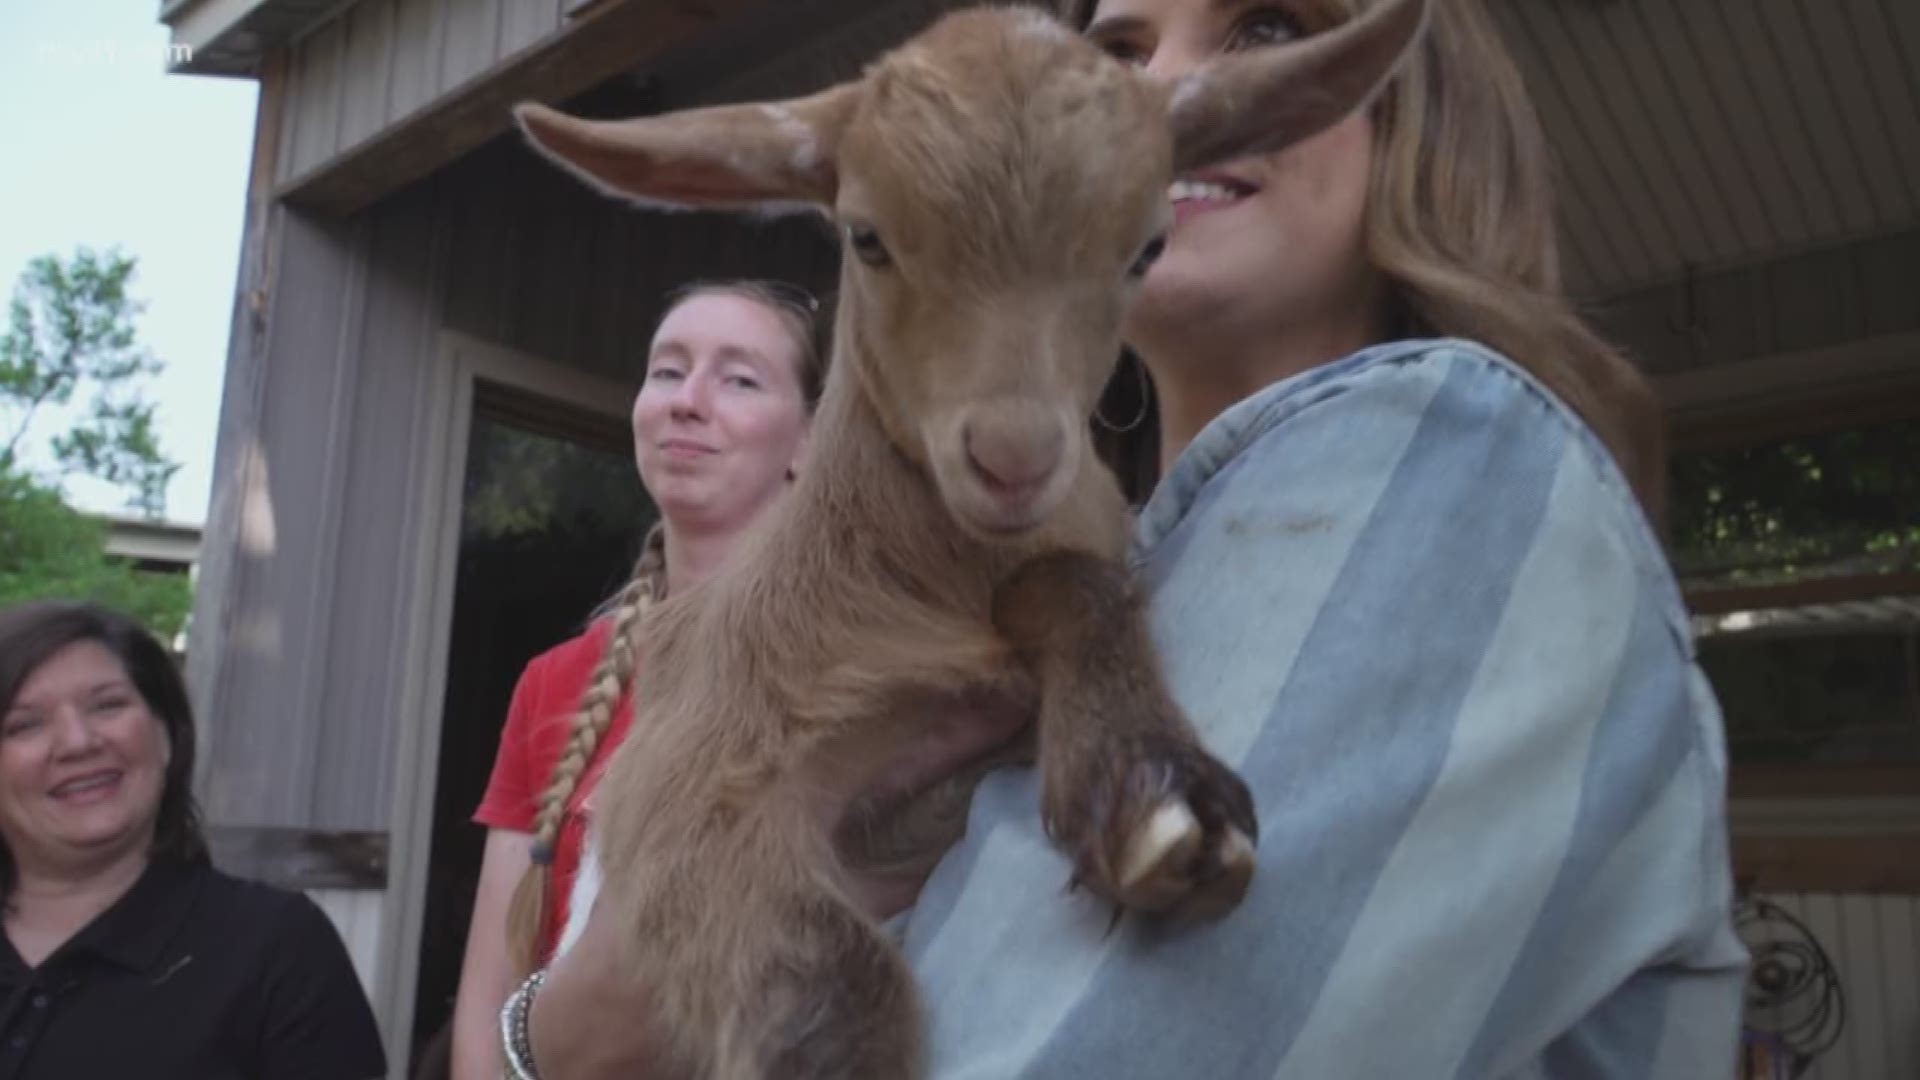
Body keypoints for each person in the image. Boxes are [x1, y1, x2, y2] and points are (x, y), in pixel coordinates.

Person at [523, 0, 1749, 1075]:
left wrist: (565, 1041)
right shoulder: (1155, 548)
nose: (1159, 88)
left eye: (1265, 25)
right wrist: (553, 1039)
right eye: (1112, 50)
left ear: (1405, 108)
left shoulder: (1467, 465)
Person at [447, 280, 831, 1079]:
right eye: (667, 371)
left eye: (739, 378)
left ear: (807, 441)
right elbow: (488, 1000)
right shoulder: (553, 684)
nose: (687, 401)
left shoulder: (854, 663)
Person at [0, 599, 386, 1080]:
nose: (78, 742)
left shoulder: (275, 948)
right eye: (25, 725)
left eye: (108, 705)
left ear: (167, 734)